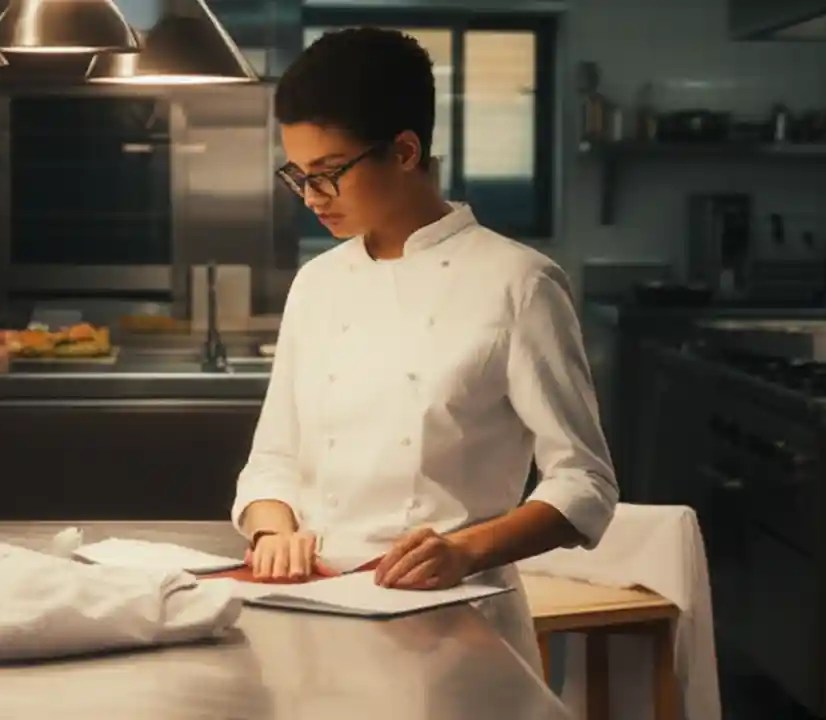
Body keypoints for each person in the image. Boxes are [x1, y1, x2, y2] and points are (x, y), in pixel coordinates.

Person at [231, 27, 618, 670]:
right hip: (313, 613)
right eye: (298, 175)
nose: (311, 197)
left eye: (329, 174)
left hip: (456, 627)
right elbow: (273, 459)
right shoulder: (317, 283)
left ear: (405, 151)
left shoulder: (519, 283)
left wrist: (465, 550)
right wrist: (275, 531)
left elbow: (585, 481)